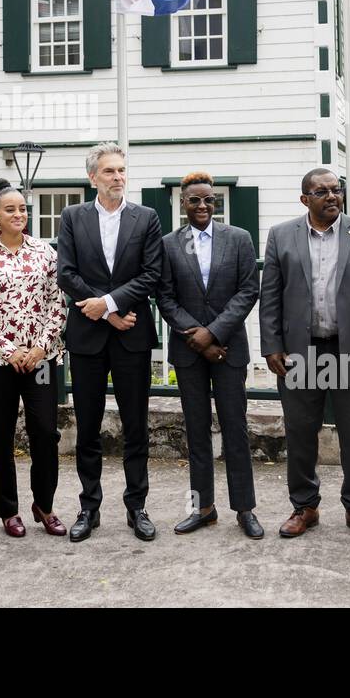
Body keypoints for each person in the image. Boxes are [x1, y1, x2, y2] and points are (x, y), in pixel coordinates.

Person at [259, 167, 350, 542]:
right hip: (301, 352)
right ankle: (305, 506)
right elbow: (270, 294)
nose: (332, 196)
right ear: (305, 199)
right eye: (322, 192)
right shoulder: (282, 235)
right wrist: (271, 345)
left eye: (336, 190)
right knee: (301, 431)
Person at [56, 142, 164, 542]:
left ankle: (137, 506)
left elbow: (152, 273)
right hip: (87, 336)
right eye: (109, 172)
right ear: (92, 178)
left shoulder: (147, 217)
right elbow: (65, 272)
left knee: (136, 425)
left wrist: (110, 303)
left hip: (132, 334)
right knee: (87, 426)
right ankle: (89, 507)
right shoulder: (72, 216)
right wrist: (105, 310)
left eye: (121, 171)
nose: (118, 178)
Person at [157, 172, 263, 539]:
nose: (202, 206)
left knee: (236, 428)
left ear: (215, 203)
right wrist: (198, 337)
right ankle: (203, 509)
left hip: (229, 348)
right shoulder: (168, 244)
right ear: (182, 203)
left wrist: (214, 333)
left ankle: (244, 509)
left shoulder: (239, 239)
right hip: (189, 352)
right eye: (194, 200)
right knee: (196, 431)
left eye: (208, 200)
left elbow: (249, 291)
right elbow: (165, 297)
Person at [0, 179, 69, 538]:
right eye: (10, 209)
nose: (18, 214)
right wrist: (9, 352)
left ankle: (45, 505)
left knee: (44, 432)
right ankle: (8, 510)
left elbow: (58, 303)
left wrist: (39, 347)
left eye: (22, 208)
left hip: (40, 359)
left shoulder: (45, 253)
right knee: (0, 436)